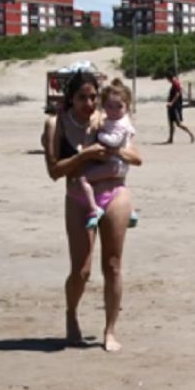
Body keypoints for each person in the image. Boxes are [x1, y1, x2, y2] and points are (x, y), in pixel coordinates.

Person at [42, 72, 143, 353]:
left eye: (92, 97)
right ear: (70, 99)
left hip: (114, 194)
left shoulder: (107, 118)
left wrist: (116, 149)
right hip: (79, 197)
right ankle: (71, 313)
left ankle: (110, 330)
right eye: (82, 97)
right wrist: (85, 155)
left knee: (112, 265)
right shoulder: (56, 124)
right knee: (82, 270)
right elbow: (54, 171)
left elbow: (137, 157)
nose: (89, 103)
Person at [76, 84, 138, 230]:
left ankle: (94, 209)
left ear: (127, 106)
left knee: (84, 178)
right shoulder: (120, 120)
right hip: (117, 166)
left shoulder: (119, 124)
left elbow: (114, 141)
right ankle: (130, 210)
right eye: (109, 106)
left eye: (118, 106)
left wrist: (101, 135)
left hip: (115, 165)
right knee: (117, 183)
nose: (114, 110)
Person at [165, 72, 195, 144]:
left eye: (167, 79)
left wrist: (172, 102)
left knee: (178, 124)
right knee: (171, 124)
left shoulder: (176, 83)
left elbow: (177, 94)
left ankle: (191, 134)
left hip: (175, 106)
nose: (167, 80)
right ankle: (170, 139)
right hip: (171, 106)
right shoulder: (174, 84)